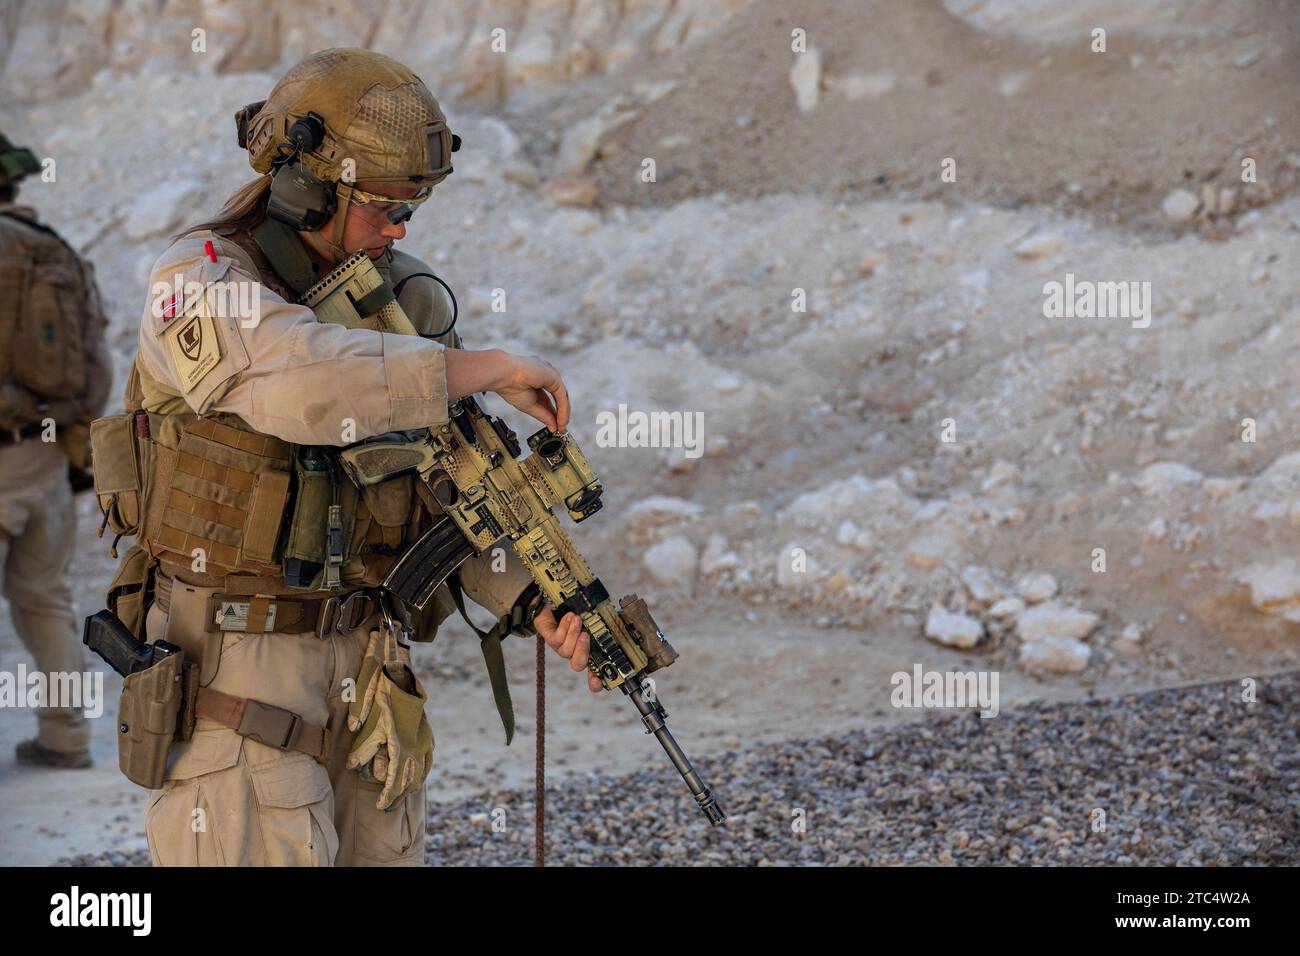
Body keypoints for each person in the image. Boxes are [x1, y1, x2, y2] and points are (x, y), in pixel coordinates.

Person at [113, 48, 599, 866]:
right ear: (306, 183)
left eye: (415, 206)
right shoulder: (197, 280)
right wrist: (481, 368)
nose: (401, 229)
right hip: (242, 690)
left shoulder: (387, 300)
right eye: (386, 204)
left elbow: (449, 483)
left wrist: (534, 595)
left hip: (371, 689)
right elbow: (299, 381)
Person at [0, 132, 111, 769]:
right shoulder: (60, 255)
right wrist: (78, 449)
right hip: (44, 457)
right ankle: (66, 737)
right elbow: (95, 361)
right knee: (46, 600)